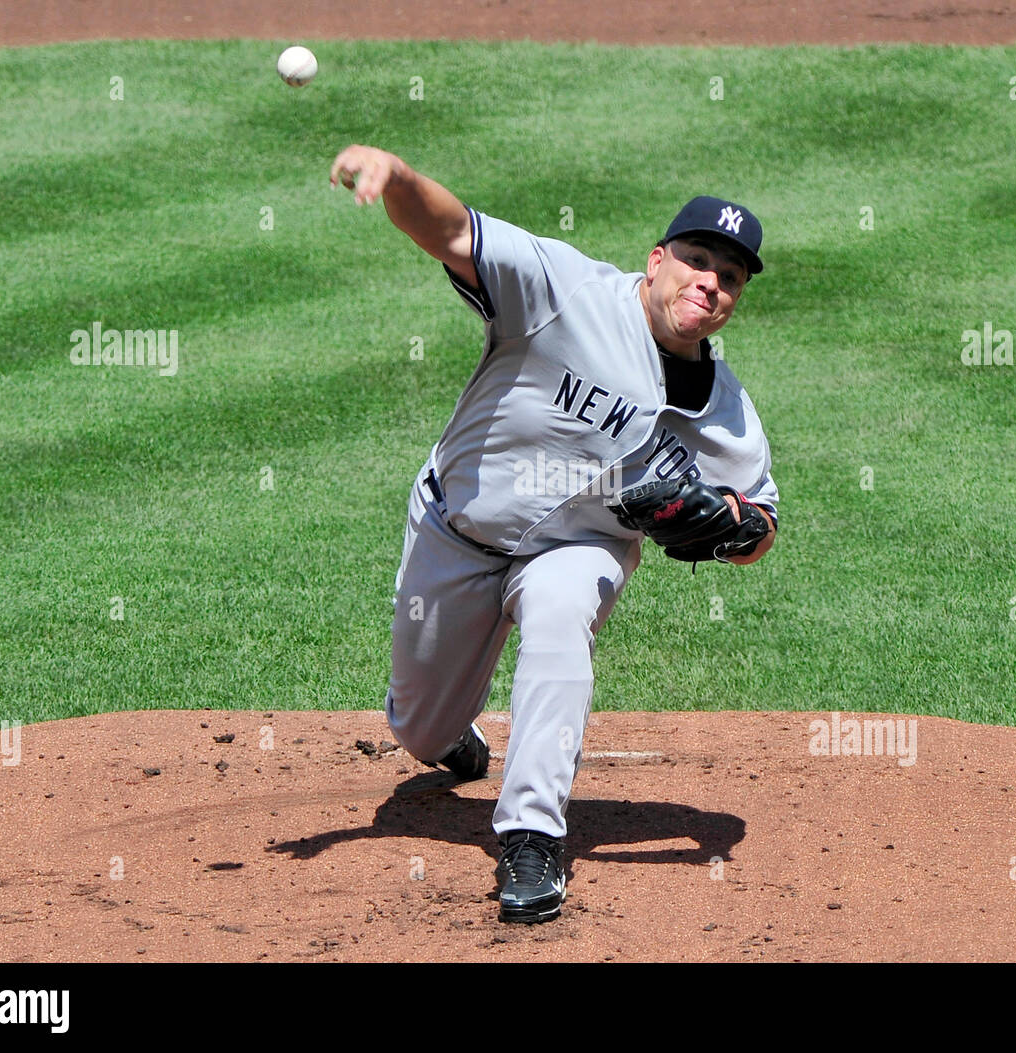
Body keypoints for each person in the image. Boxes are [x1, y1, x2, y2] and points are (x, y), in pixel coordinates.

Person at [329, 145, 779, 923]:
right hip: (456, 529)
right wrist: (397, 179)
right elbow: (455, 235)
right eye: (697, 259)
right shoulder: (564, 288)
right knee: (417, 726)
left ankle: (532, 836)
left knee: (563, 611)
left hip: (579, 549)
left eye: (729, 276)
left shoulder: (725, 406)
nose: (709, 282)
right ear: (656, 261)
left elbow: (763, 521)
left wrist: (736, 526)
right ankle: (451, 736)